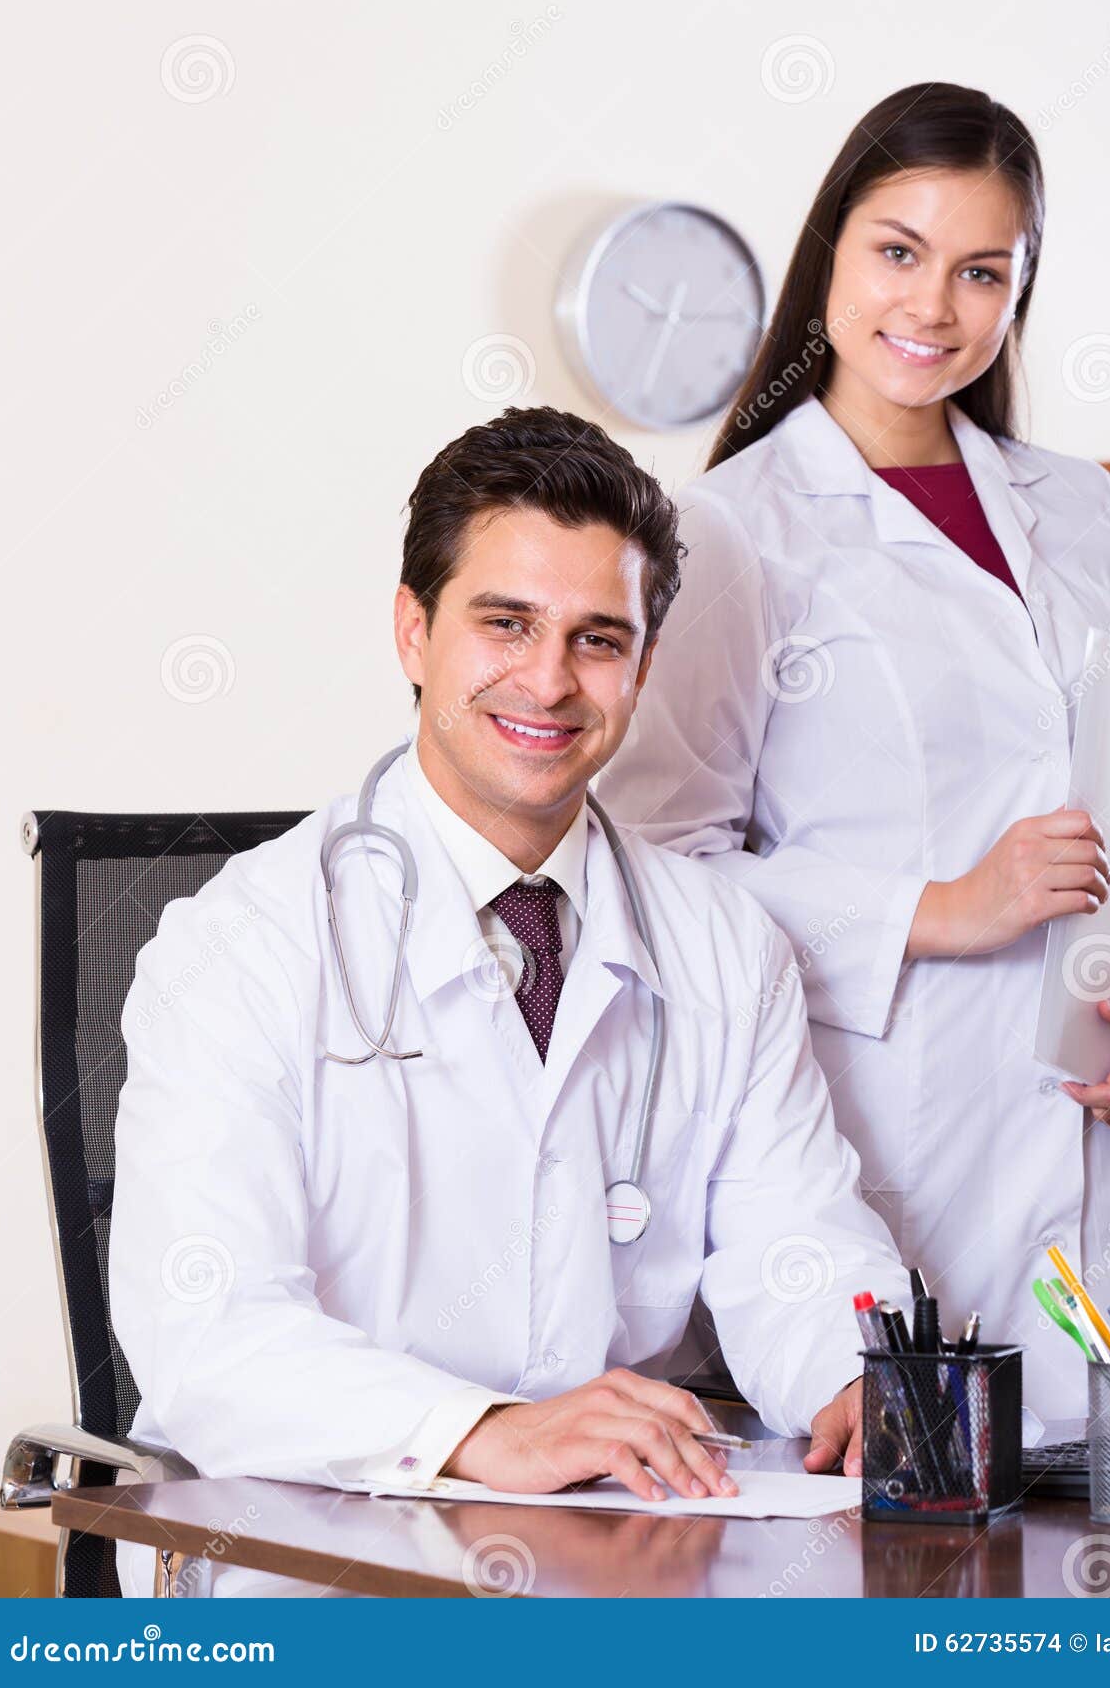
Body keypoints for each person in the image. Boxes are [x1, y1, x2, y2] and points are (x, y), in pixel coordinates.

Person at [108, 404, 910, 1597]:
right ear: (413, 632)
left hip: (621, 1551)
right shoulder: (245, 946)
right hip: (319, 1557)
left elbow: (793, 1240)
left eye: (599, 638)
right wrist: (483, 1429)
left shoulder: (720, 943)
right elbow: (208, 1334)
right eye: (505, 622)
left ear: (641, 667)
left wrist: (856, 1373)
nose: (549, 679)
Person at [598, 84, 1110, 1420]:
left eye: (979, 271)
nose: (931, 306)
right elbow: (655, 870)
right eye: (896, 251)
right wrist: (937, 911)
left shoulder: (1079, 507)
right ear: (829, 249)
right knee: (937, 1557)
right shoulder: (729, 533)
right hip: (902, 1143)